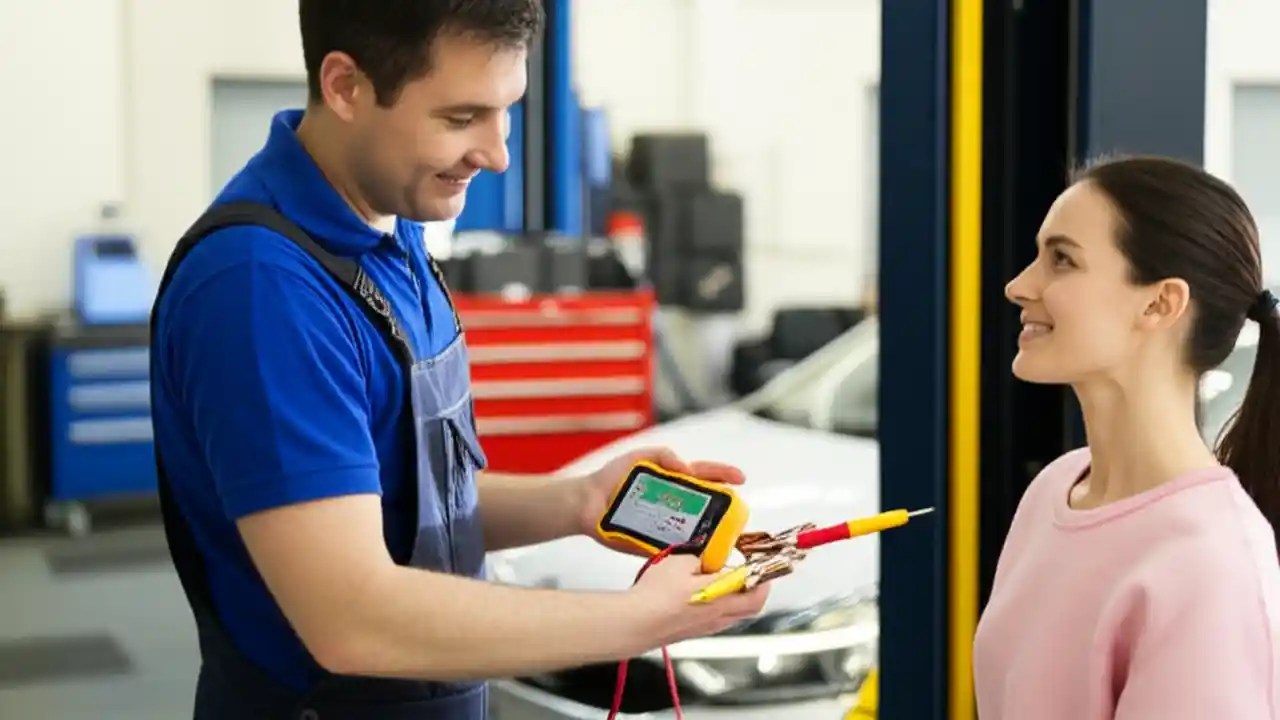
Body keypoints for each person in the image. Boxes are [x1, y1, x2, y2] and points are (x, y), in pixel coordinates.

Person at [148, 3, 768, 718]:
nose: (497, 153)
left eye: (506, 111)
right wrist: (644, 620)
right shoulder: (261, 287)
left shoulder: (390, 228)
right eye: (460, 117)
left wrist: (577, 501)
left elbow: (404, 503)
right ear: (346, 86)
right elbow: (355, 619)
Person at [972, 154, 1280, 718]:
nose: (1019, 285)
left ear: (1160, 303)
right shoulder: (1055, 489)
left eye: (1061, 260)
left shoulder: (1210, 563)